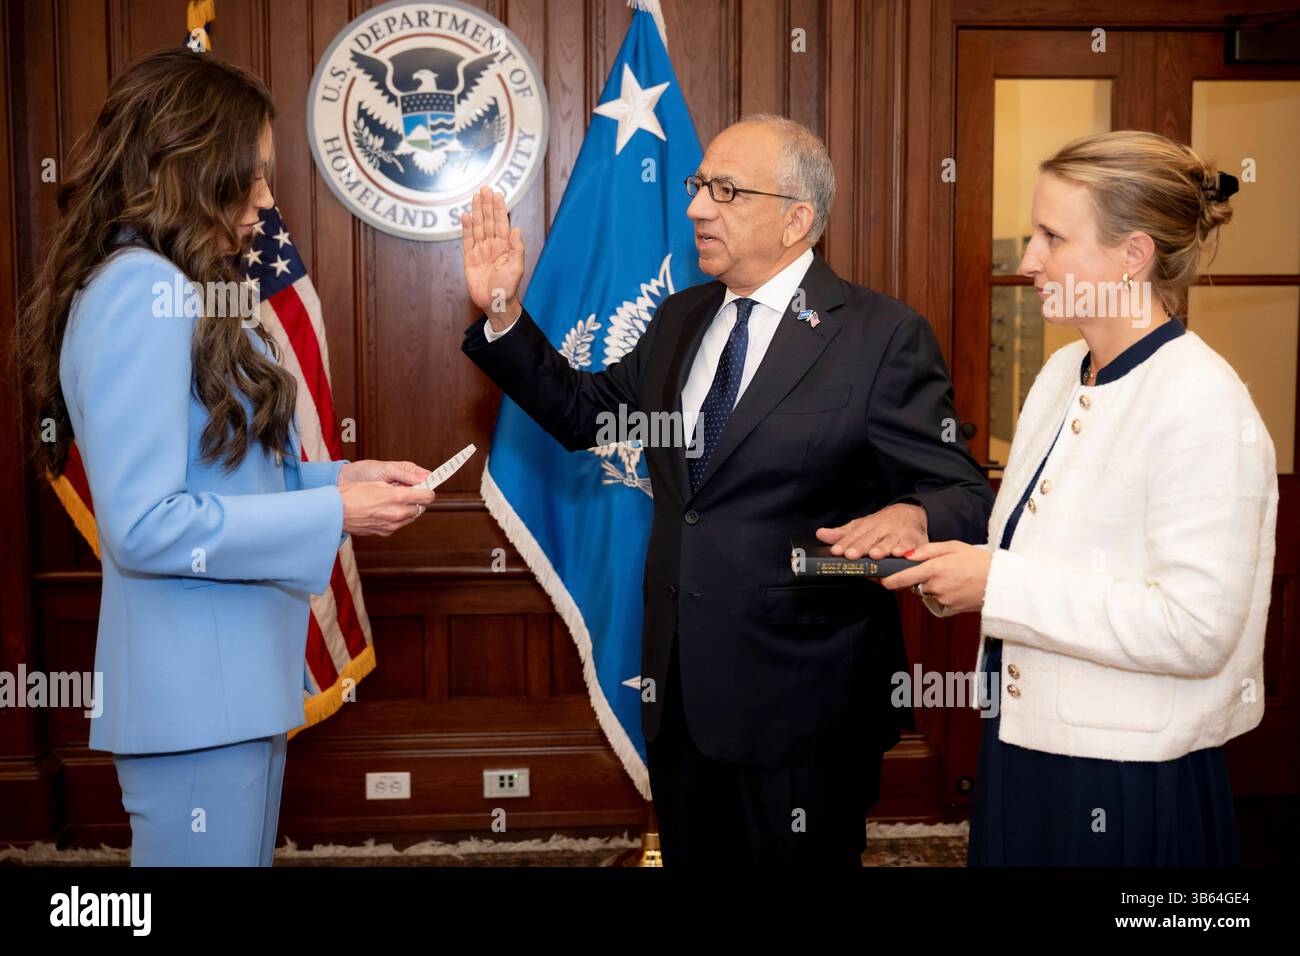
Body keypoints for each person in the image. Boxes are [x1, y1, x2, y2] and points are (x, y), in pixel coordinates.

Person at [459, 114, 994, 865]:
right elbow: (587, 416)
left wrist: (911, 510)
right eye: (698, 186)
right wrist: (504, 313)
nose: (696, 209)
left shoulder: (881, 336)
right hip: (680, 696)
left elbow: (963, 493)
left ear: (796, 219)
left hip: (807, 707)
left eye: (725, 191)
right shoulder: (683, 318)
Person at [13, 49, 436, 866]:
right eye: (255, 174)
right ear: (191, 166)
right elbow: (141, 525)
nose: (268, 201)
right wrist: (331, 513)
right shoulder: (140, 290)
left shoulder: (171, 282)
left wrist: (336, 479)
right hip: (195, 697)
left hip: (227, 688)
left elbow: (216, 470)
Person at [881, 130, 1278, 865]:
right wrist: (964, 574)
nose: (1028, 260)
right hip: (1025, 749)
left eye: (1052, 237)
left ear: (1133, 255)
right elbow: (1036, 558)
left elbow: (1195, 630)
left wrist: (998, 583)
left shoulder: (1203, 403)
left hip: (1128, 780)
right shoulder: (1064, 371)